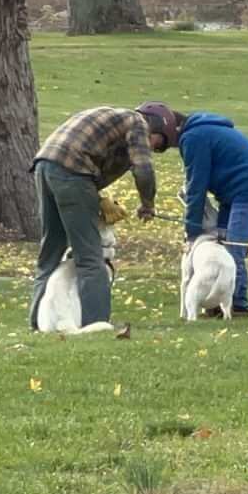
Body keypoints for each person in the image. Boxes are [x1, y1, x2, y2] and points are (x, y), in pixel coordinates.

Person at [30, 102, 180, 329]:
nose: (152, 148)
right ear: (156, 125)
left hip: (45, 165)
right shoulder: (138, 123)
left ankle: (38, 323)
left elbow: (84, 153)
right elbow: (144, 169)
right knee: (91, 258)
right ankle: (97, 323)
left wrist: (97, 198)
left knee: (51, 251)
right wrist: (147, 204)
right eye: (158, 143)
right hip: (73, 172)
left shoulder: (112, 116)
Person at [178, 111, 248, 316]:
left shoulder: (194, 137)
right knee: (221, 243)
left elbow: (196, 187)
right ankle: (215, 303)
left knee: (233, 248)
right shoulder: (200, 131)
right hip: (232, 192)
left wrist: (192, 231)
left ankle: (237, 305)